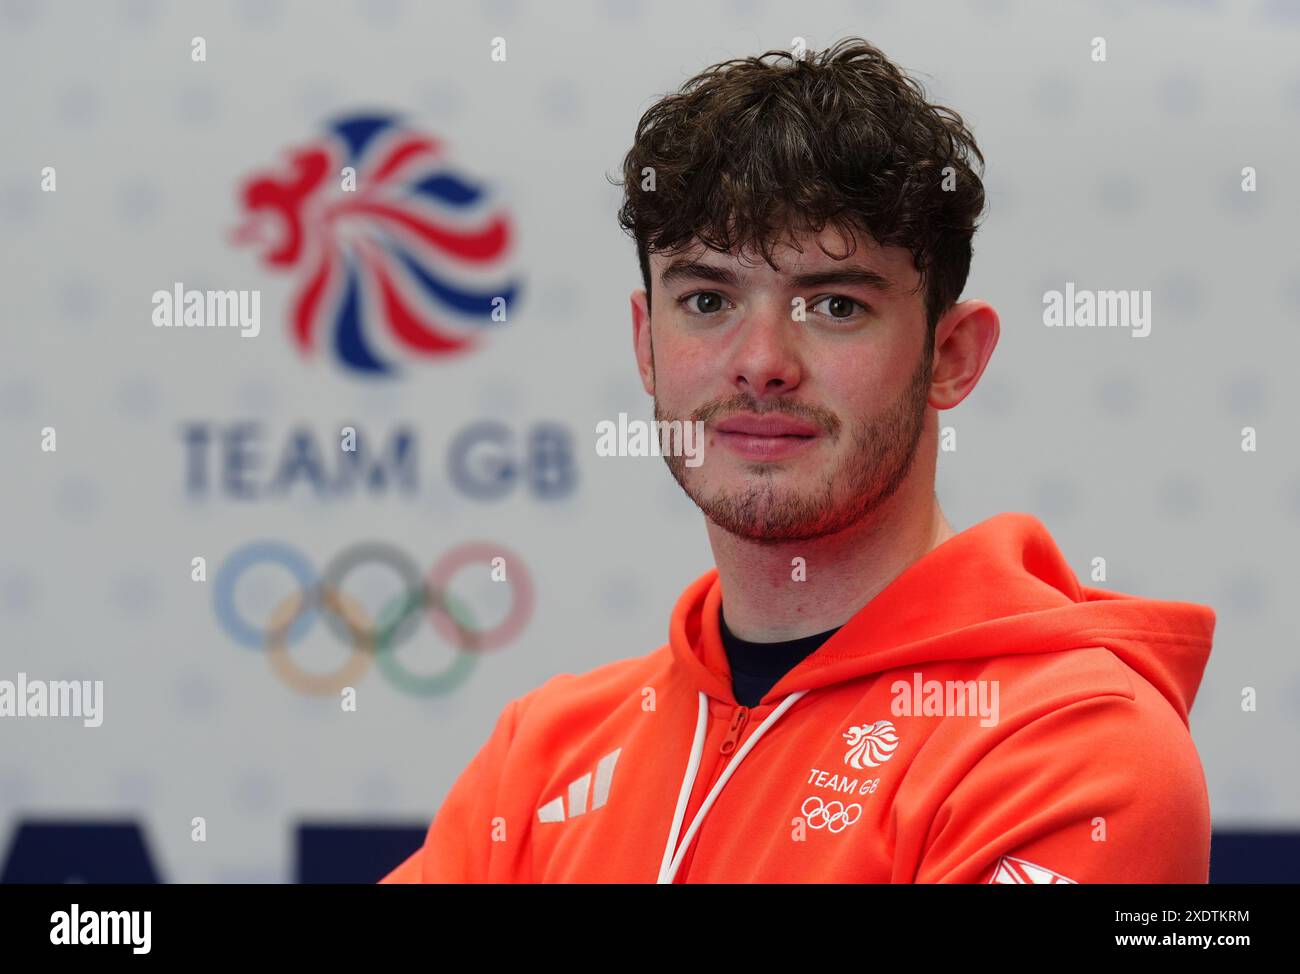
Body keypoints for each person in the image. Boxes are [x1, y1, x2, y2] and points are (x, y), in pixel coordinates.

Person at [381, 37, 1214, 884]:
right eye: (707, 300)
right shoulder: (544, 755)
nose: (762, 360)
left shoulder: (1077, 746)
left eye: (836, 305)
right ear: (646, 346)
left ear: (953, 356)